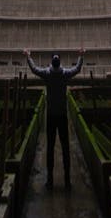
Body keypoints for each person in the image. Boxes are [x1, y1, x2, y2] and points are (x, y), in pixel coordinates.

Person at [23, 47, 84, 189]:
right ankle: (67, 180)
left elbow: (34, 69)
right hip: (62, 115)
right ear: (59, 62)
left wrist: (28, 56)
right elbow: (76, 69)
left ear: (52, 62)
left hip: (51, 115)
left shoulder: (47, 74)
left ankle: (50, 180)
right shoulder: (64, 74)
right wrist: (81, 56)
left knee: (50, 148)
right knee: (65, 147)